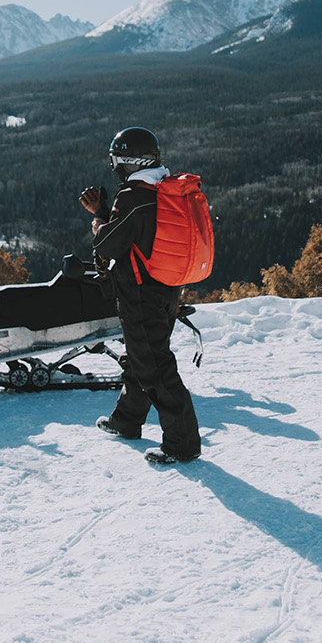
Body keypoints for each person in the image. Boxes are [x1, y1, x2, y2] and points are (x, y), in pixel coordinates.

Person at [78, 126, 201, 465]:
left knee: (155, 367)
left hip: (141, 293)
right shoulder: (163, 187)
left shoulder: (135, 195)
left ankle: (183, 445)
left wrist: (98, 217)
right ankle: (127, 421)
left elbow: (108, 243)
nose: (115, 167)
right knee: (142, 355)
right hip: (165, 288)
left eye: (117, 160)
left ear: (128, 161)